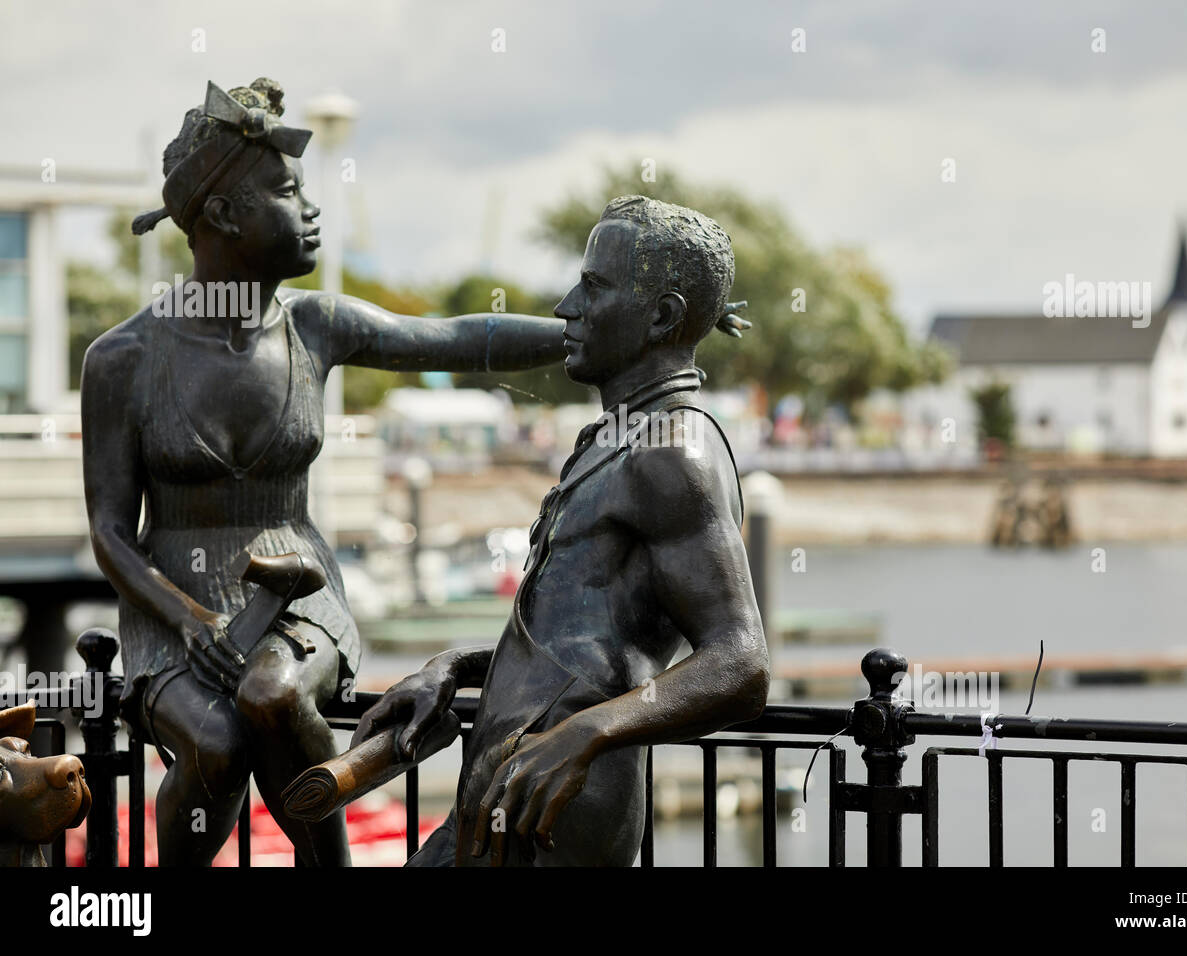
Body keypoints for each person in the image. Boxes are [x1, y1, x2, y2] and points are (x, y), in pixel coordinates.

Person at [81, 79, 747, 867]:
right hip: (184, 619)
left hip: (326, 616)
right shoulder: (123, 359)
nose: (312, 209)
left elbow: (462, 339)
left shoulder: (316, 325)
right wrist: (196, 623)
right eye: (289, 192)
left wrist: (610, 339)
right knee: (218, 745)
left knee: (273, 696)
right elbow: (110, 530)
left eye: (588, 293)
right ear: (222, 216)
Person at [354, 196, 770, 866]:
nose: (565, 307)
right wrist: (453, 670)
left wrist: (587, 735)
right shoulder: (616, 437)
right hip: (509, 798)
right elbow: (577, 652)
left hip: (560, 812)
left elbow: (741, 664)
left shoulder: (671, 452)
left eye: (595, 287)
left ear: (661, 316)